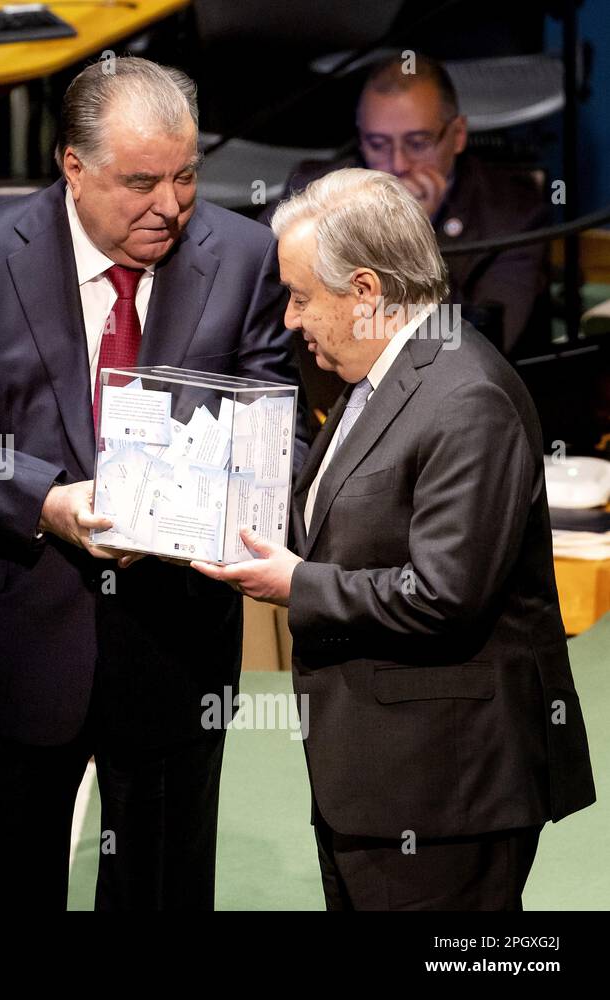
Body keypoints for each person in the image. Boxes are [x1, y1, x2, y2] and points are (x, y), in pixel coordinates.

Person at [0, 57, 305, 910]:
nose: (170, 206)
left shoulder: (247, 255)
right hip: (19, 639)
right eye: (140, 182)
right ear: (73, 167)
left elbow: (274, 429)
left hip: (176, 642)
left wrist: (221, 506)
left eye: (185, 177)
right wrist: (46, 499)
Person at [194, 168, 595, 910]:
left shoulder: (465, 398)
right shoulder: (373, 377)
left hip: (446, 791)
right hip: (378, 781)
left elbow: (445, 595)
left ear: (368, 293)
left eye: (303, 297)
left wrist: (296, 585)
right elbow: (331, 520)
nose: (289, 320)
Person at [273, 52, 548, 361]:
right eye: (378, 144)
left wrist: (416, 235)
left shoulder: (512, 214)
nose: (398, 164)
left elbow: (475, 351)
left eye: (417, 143)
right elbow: (260, 303)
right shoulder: (313, 193)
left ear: (457, 135)